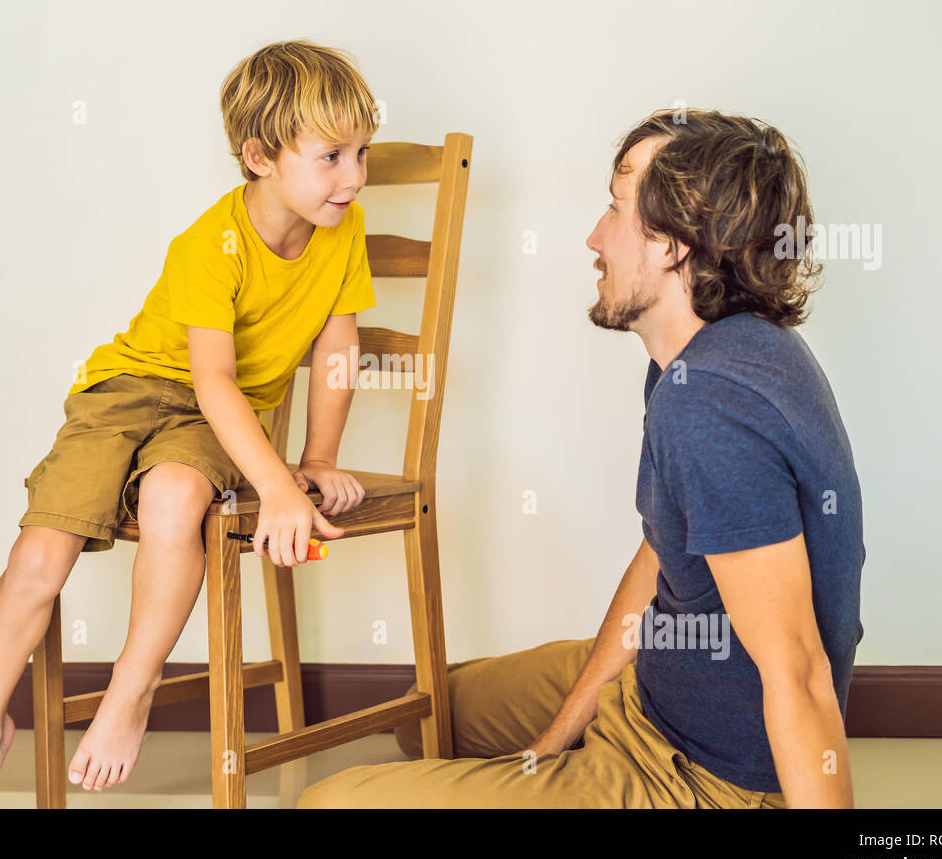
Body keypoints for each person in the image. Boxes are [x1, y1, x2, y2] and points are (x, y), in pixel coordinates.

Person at [298, 109, 866, 808]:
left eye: (616, 209)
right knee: (434, 713)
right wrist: (557, 736)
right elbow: (662, 555)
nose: (594, 237)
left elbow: (801, 672)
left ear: (673, 244)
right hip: (656, 691)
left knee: (330, 804)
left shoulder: (714, 407)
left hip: (699, 777)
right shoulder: (697, 358)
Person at [0, 40, 379, 807]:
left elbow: (337, 345)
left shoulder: (345, 230)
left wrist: (314, 455)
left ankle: (133, 686)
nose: (354, 176)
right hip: (131, 390)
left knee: (176, 498)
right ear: (259, 157)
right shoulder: (208, 245)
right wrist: (276, 489)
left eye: (362, 152)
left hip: (219, 418)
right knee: (41, 557)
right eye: (331, 156)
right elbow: (208, 377)